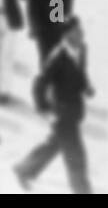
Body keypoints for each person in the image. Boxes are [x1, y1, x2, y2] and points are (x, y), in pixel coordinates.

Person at [15, 18, 93, 194]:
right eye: (77, 30)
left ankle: (24, 170)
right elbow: (39, 83)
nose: (82, 33)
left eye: (81, 29)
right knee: (76, 156)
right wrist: (43, 108)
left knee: (54, 145)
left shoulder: (82, 49)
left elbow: (81, 73)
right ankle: (82, 190)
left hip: (74, 111)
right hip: (62, 113)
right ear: (67, 35)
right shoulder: (58, 57)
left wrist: (86, 87)